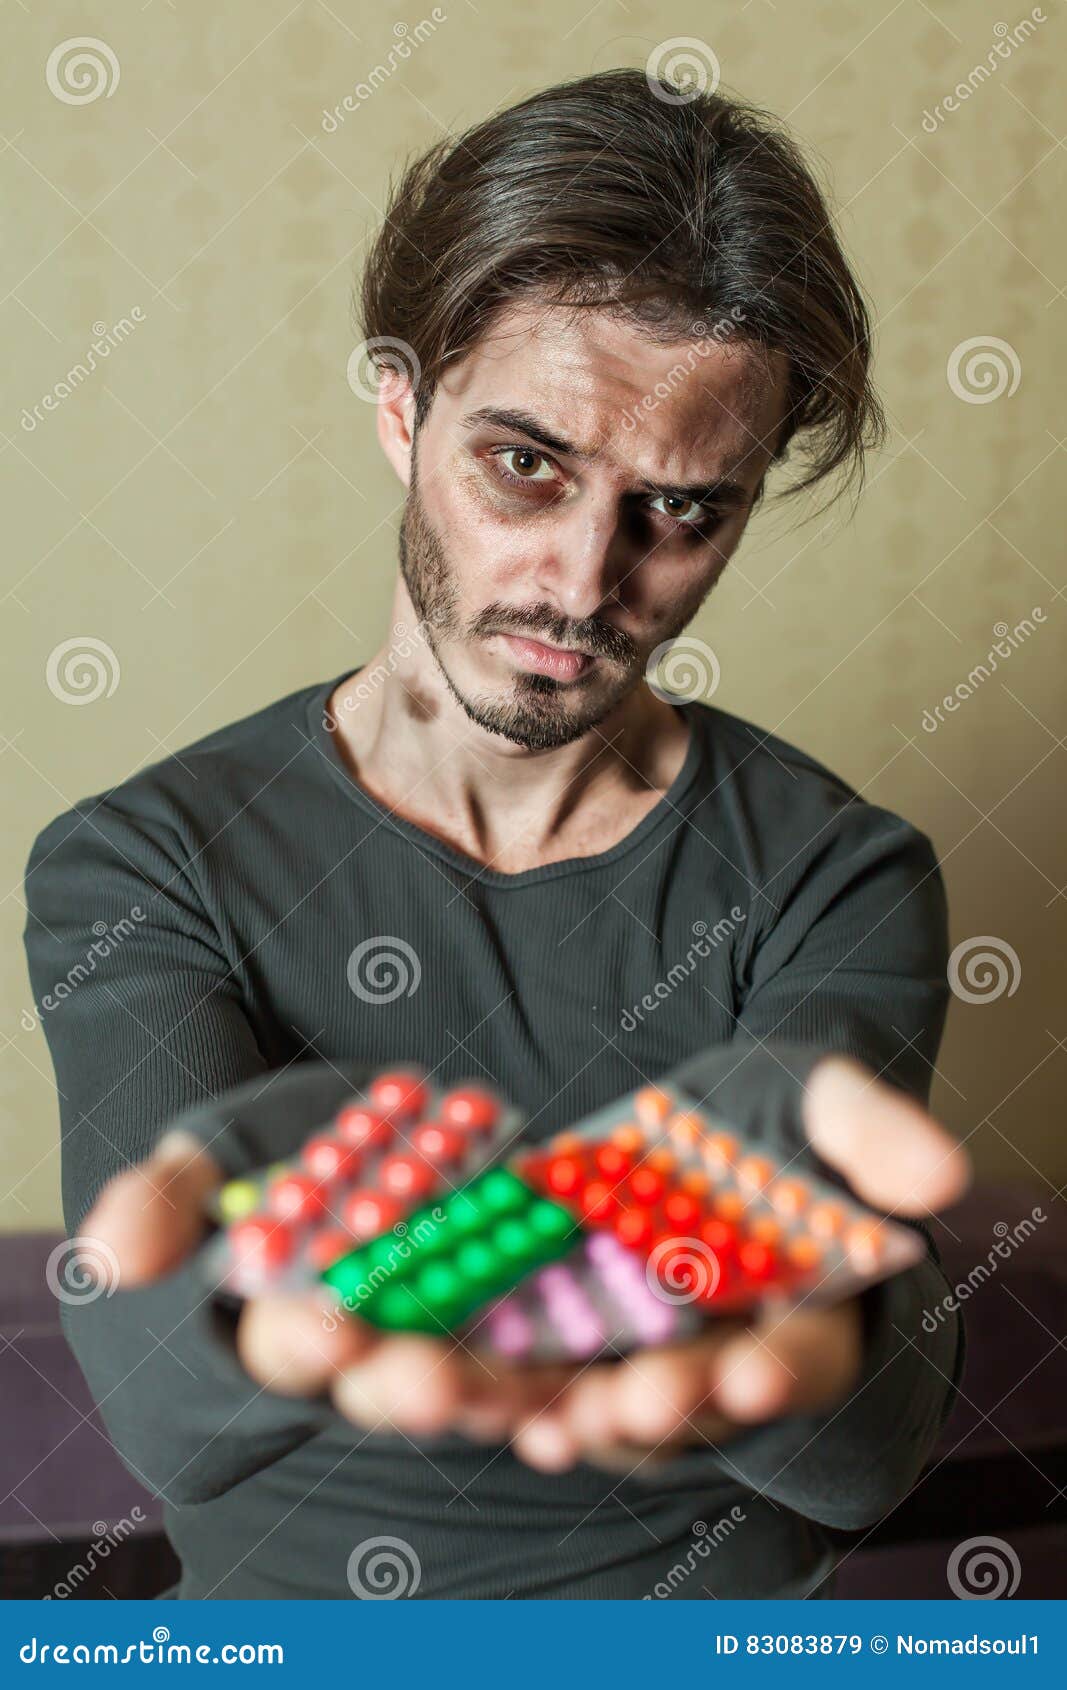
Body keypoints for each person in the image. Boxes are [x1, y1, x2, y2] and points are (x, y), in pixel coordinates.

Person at [22, 68, 970, 1600]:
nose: (585, 581)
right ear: (402, 409)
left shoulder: (837, 875)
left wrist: (747, 1287)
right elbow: (166, 1412)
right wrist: (626, 1234)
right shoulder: (142, 862)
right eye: (526, 464)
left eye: (679, 510)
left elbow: (863, 1448)